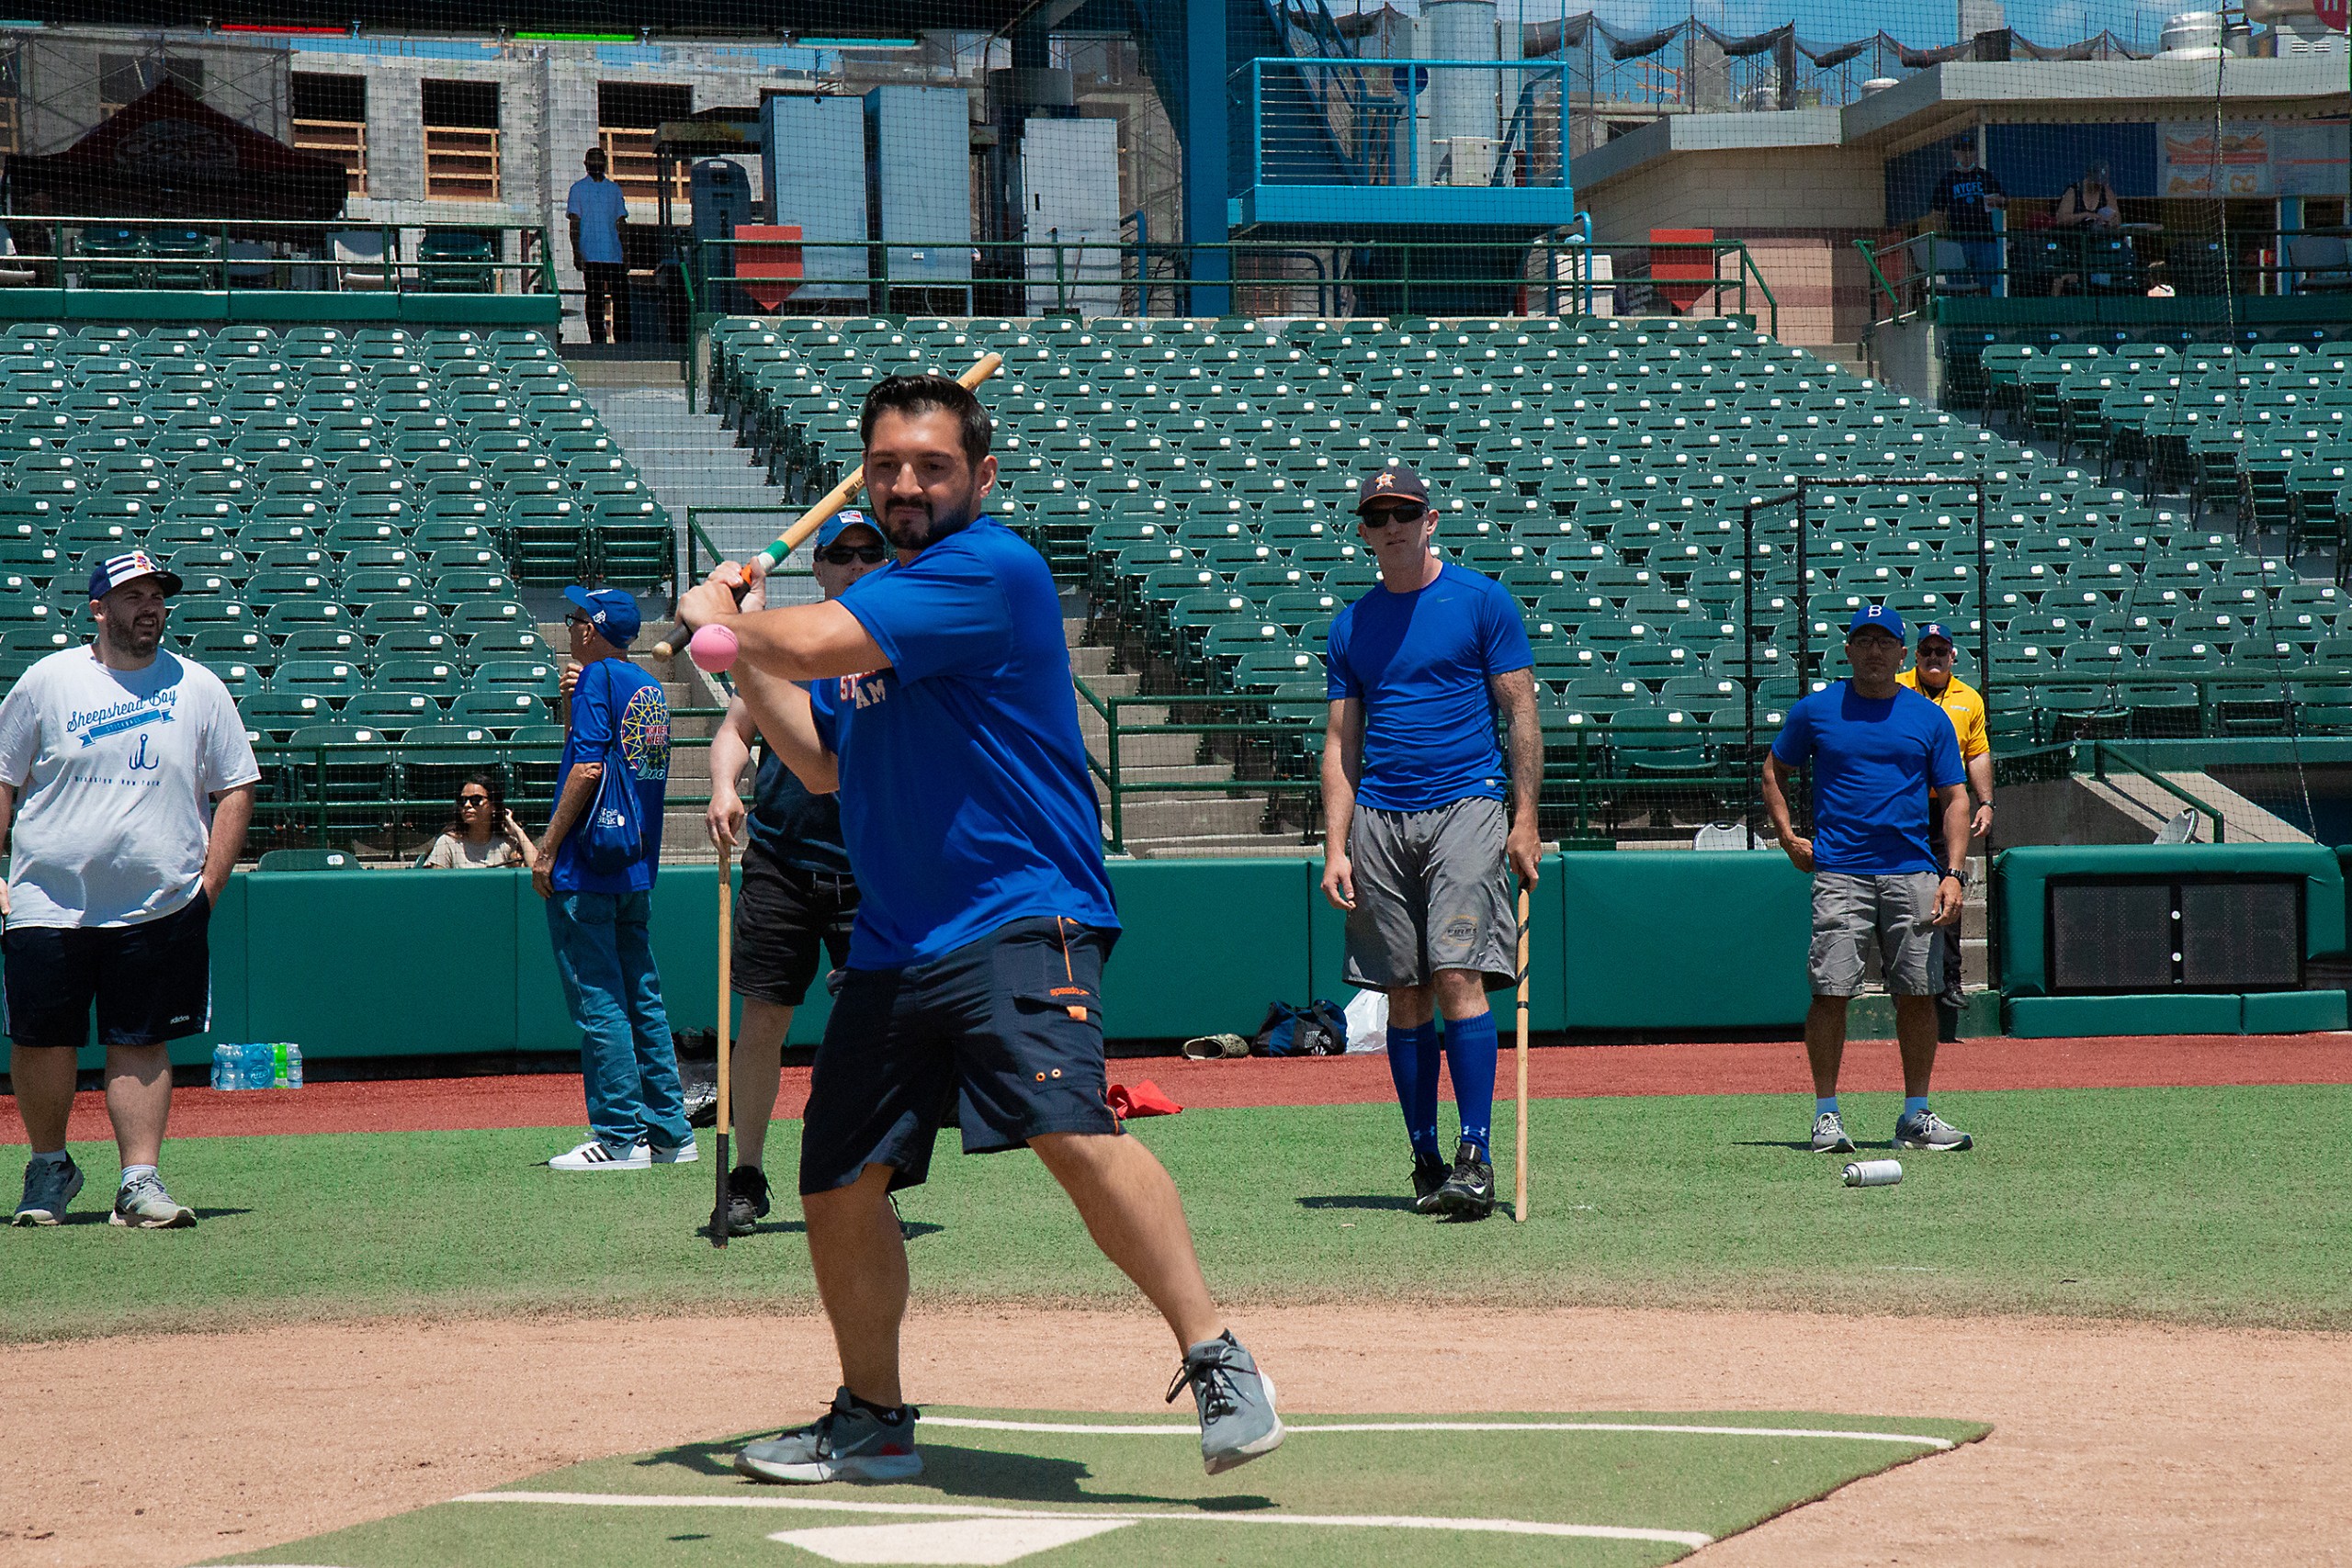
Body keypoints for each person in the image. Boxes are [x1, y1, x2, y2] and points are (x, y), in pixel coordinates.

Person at [673, 372, 1282, 1482]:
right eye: (889, 467)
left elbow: (808, 646)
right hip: (900, 940)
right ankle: (871, 1417)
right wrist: (743, 655)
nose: (908, 485)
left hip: (1018, 914)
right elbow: (814, 756)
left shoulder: (985, 570)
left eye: (933, 466)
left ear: (980, 477)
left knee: (1069, 1131)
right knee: (834, 1181)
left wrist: (734, 622)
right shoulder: (889, 616)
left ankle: (1217, 1353)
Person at [4, 551, 257, 1228]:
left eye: (158, 595)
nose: (151, 606)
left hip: (158, 902)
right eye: (134, 595)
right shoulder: (48, 682)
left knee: (140, 1038)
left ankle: (137, 1181)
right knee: (40, 1039)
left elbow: (236, 785)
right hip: (47, 900)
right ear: (98, 608)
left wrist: (207, 887)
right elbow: (3, 777)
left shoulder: (198, 686)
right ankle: (49, 1166)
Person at [1318, 465, 1541, 1222]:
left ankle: (1475, 1157)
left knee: (1455, 973)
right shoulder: (1351, 624)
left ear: (1431, 519)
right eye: (1378, 516)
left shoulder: (1482, 600)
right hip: (1381, 814)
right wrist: (1335, 846)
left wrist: (1524, 816)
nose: (1392, 527)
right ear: (1364, 531)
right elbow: (1342, 745)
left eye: (1403, 513)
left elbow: (1521, 715)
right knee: (1403, 992)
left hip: (1467, 805)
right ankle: (1425, 1155)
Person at [704, 510, 886, 1236]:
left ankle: (864, 1180)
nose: (853, 564)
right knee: (762, 1023)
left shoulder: (899, 639)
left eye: (868, 552)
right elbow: (734, 733)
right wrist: (724, 786)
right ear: (818, 567)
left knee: (869, 1033)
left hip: (873, 866)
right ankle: (746, 1176)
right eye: (839, 554)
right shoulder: (790, 642)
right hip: (781, 857)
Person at [1761, 604, 1973, 1158]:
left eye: (1885, 642)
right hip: (1840, 871)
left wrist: (1953, 873)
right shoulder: (1817, 709)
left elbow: (1955, 797)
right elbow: (1773, 769)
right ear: (1848, 650)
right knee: (1830, 991)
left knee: (1920, 994)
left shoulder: (1930, 719)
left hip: (1913, 872)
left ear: (1902, 654)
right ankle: (1826, 1116)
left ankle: (1915, 1112)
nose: (1875, 651)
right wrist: (1787, 838)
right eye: (1864, 641)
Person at [535, 585, 689, 1173]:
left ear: (591, 629)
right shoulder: (647, 686)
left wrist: (547, 848)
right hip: (634, 863)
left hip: (589, 864)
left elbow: (589, 765)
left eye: (576, 618)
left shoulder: (599, 679)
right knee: (643, 997)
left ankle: (620, 1137)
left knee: (599, 999)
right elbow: (610, 757)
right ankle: (671, 1133)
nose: (570, 625)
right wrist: (572, 704)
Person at [1898, 623, 1993, 1038]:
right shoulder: (1896, 687)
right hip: (1902, 806)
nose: (1933, 657)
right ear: (1914, 655)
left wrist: (1986, 801)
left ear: (1953, 656)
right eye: (1926, 650)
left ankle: (1950, 977)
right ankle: (1896, 974)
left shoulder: (1968, 698)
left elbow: (1978, 752)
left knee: (1949, 886)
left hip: (1947, 809)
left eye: (1941, 650)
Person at [566, 147, 629, 345]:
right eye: (592, 161)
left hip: (614, 254)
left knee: (622, 300)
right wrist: (577, 253)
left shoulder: (614, 189)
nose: (596, 164)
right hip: (590, 254)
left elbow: (621, 222)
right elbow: (574, 222)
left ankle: (623, 340)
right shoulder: (577, 189)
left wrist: (626, 252)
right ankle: (598, 340)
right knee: (594, 299)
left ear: (605, 163)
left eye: (599, 160)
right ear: (586, 164)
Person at [1928, 137, 2007, 297]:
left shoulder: (1985, 177)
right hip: (1958, 240)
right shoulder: (1947, 180)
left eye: (1970, 150)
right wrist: (1943, 236)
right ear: (1955, 153)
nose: (1967, 155)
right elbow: (1937, 211)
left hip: (1984, 239)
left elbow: (2004, 201)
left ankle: (1986, 314)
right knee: (1958, 285)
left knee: (1986, 283)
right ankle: (1961, 316)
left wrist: (1996, 200)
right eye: (1963, 151)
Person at [416, 773, 537, 869]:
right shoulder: (448, 843)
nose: (467, 805)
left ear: (493, 805)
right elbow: (435, 887)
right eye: (462, 800)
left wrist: (515, 829)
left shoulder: (506, 844)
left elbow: (537, 869)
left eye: (476, 800)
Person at [2049, 160, 2123, 295]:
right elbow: (2061, 219)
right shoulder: (2073, 191)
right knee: (2061, 278)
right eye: (2096, 181)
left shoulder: (2106, 191)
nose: (2098, 185)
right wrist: (2086, 215)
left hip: (2098, 245)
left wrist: (2108, 221)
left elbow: (2117, 219)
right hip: (2072, 245)